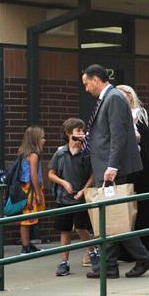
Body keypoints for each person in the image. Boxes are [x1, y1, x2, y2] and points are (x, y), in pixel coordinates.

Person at [81, 65, 149, 279]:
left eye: (86, 83)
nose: (86, 89)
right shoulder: (109, 98)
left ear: (96, 79)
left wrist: (112, 167)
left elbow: (118, 135)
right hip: (106, 166)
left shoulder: (113, 98)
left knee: (113, 217)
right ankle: (109, 265)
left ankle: (143, 257)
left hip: (111, 168)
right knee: (110, 217)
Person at [116, 84, 149, 257]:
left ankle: (147, 248)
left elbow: (147, 136)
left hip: (143, 166)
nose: (125, 97)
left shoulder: (141, 113)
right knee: (129, 208)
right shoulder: (119, 115)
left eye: (126, 94)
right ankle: (129, 252)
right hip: (129, 167)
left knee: (144, 206)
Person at [48, 118, 96, 276]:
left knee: (82, 227)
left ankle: (93, 253)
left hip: (79, 198)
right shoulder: (60, 153)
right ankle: (64, 261)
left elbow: (92, 175)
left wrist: (83, 190)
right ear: (69, 133)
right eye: (78, 131)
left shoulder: (85, 153)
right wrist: (63, 183)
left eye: (82, 131)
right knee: (65, 229)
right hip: (64, 199)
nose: (81, 134)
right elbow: (51, 174)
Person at [17, 126, 47, 254]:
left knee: (27, 218)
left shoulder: (23, 153)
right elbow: (33, 176)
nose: (44, 140)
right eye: (42, 137)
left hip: (24, 189)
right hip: (30, 190)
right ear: (35, 140)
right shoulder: (33, 155)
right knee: (26, 219)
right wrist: (39, 193)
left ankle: (27, 244)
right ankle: (25, 246)